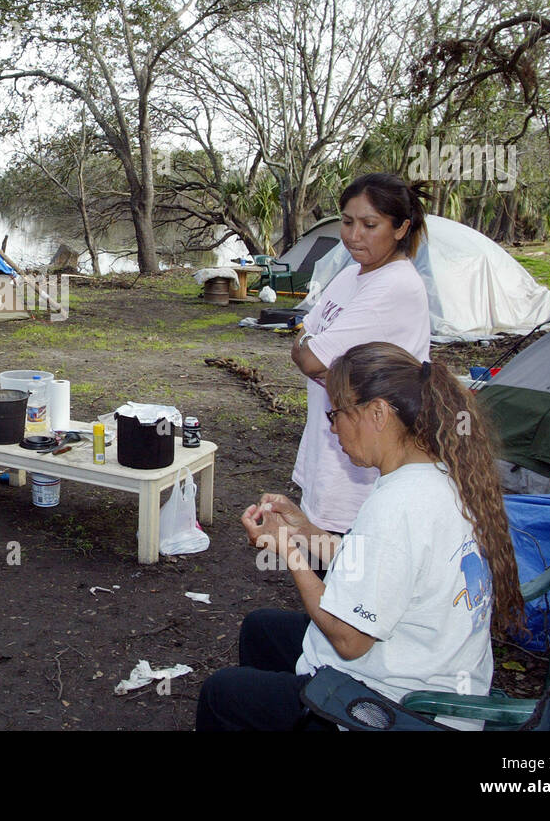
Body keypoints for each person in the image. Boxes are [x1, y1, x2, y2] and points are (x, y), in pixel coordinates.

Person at [195, 342, 525, 731]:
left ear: (378, 413)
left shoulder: (397, 506)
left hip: (398, 710)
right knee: (262, 628)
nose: (332, 428)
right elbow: (382, 567)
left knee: (222, 693)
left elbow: (350, 640)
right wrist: (304, 531)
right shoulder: (443, 473)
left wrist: (290, 553)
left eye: (337, 414)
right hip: (435, 671)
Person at [291, 172, 430, 536]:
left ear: (400, 228)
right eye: (348, 222)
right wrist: (311, 343)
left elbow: (310, 358)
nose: (354, 236)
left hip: (359, 473)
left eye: (370, 224)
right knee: (320, 563)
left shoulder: (394, 285)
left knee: (345, 573)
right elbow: (304, 331)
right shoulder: (353, 275)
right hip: (329, 452)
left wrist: (311, 346)